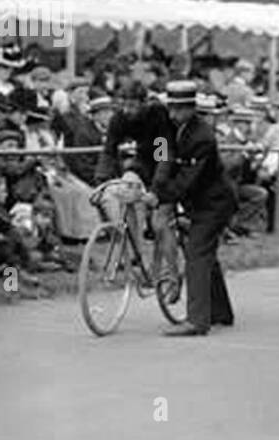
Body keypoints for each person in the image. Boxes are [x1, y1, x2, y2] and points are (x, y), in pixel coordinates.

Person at [155, 81, 238, 336]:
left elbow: (188, 180)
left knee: (197, 252)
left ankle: (197, 321)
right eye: (171, 108)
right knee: (207, 257)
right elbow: (163, 159)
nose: (173, 114)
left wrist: (161, 196)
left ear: (193, 108)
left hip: (215, 202)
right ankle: (220, 312)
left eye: (180, 109)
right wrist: (157, 186)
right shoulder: (168, 129)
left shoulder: (202, 136)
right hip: (198, 201)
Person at [95, 78, 177, 282]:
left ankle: (162, 271)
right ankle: (139, 257)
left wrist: (156, 189)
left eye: (132, 106)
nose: (126, 110)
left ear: (143, 103)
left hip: (165, 159)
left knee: (159, 222)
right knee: (126, 188)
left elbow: (163, 155)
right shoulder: (119, 118)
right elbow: (109, 149)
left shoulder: (158, 114)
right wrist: (101, 180)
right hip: (142, 161)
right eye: (123, 105)